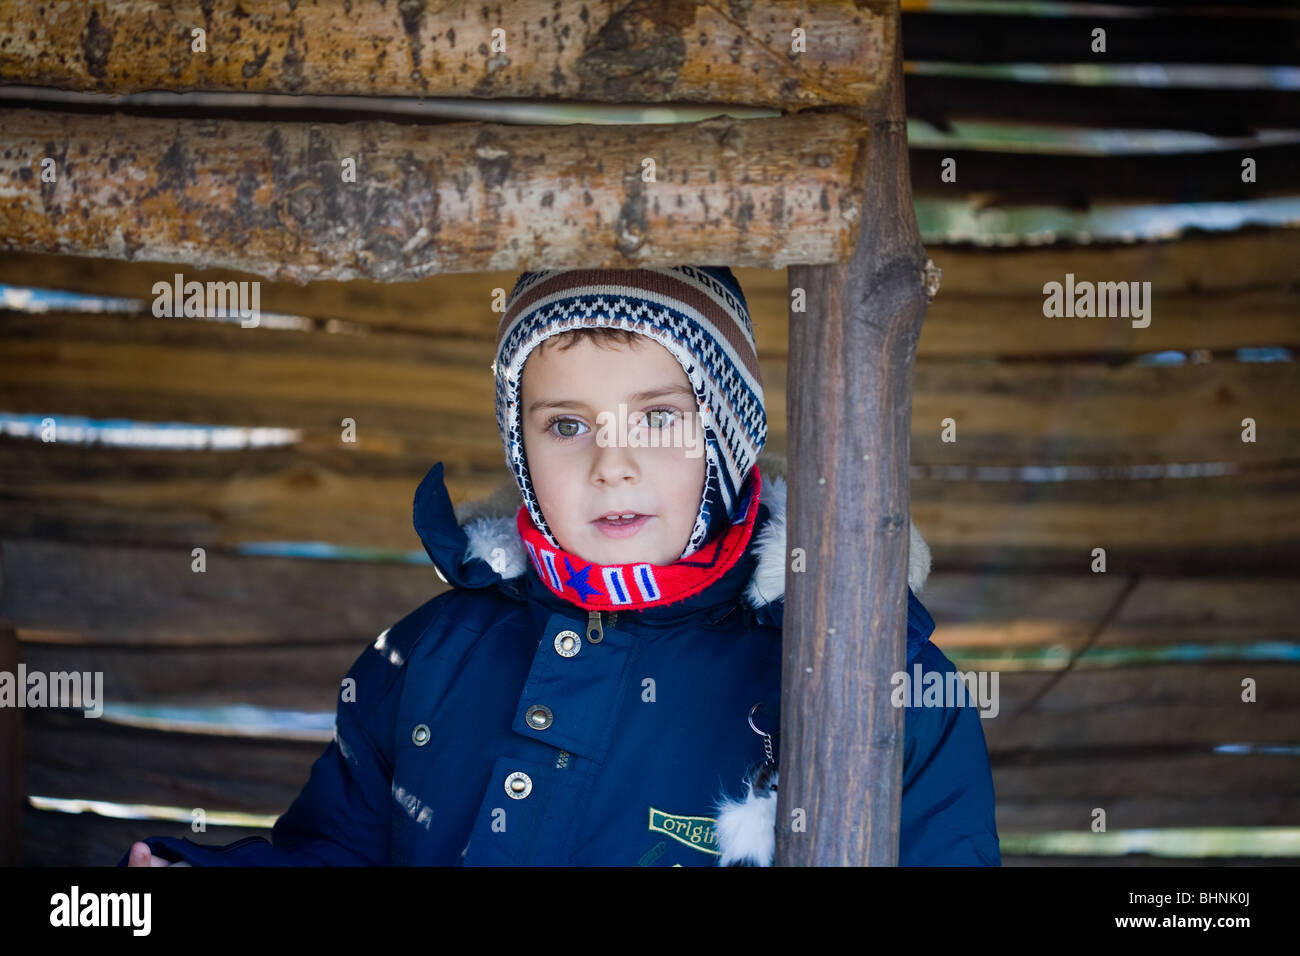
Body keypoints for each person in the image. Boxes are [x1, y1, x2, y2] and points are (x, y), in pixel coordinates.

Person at [121, 266, 1000, 867]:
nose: (609, 465)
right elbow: (340, 853)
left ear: (728, 433)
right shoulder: (432, 656)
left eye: (658, 418)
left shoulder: (868, 680)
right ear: (520, 443)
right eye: (566, 425)